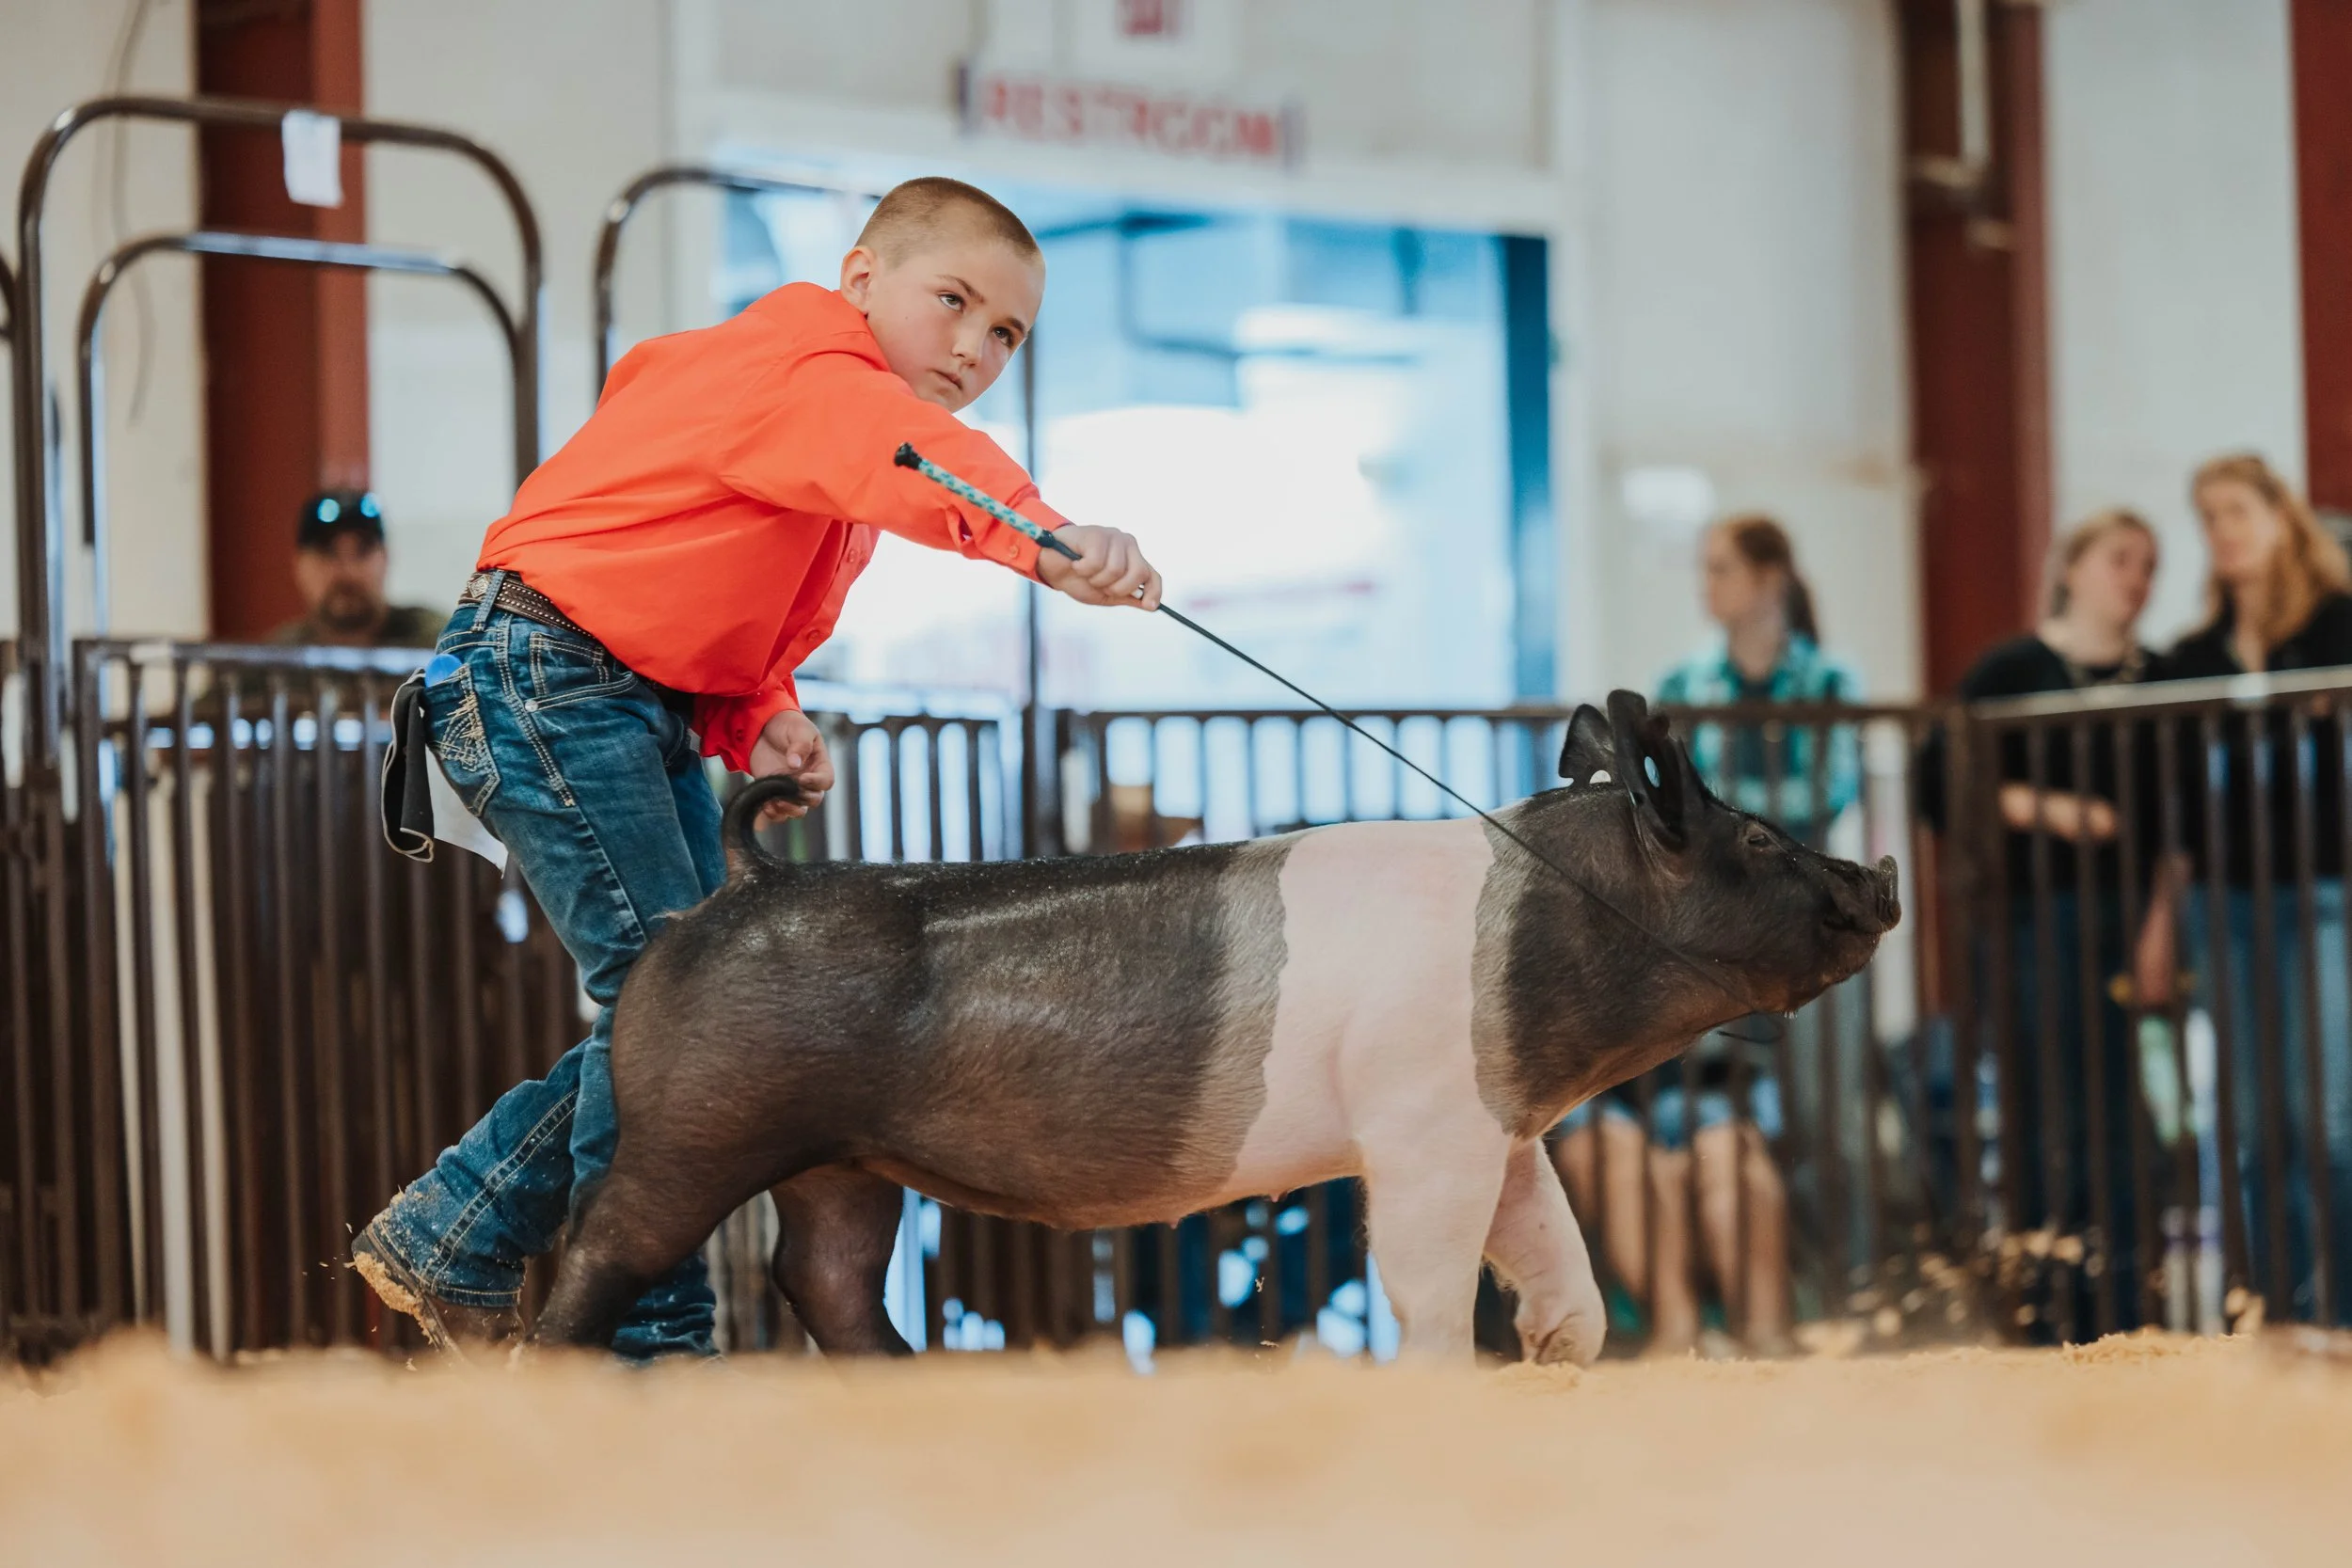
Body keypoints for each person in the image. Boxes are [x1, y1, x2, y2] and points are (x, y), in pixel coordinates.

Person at [348, 177, 1162, 1359]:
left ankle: (462, 1229)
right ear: (860, 278)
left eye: (1006, 333)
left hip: (606, 687)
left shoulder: (812, 405)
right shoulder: (806, 371)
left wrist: (759, 711)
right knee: (686, 1015)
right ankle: (637, 1346)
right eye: (954, 300)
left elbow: (691, 565)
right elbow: (917, 460)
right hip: (550, 673)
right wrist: (1044, 537)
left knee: (706, 1010)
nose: (976, 347)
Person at [1554, 515, 1859, 1354]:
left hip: (1805, 936)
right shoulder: (1682, 683)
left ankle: (1842, 1299)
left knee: (1831, 1129)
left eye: (1721, 567)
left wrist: (1732, 836)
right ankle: (1695, 1338)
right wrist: (1738, 839)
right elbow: (1683, 812)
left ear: (1768, 577)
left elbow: (1823, 799)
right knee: (1677, 1145)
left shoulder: (1832, 680)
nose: (1706, 583)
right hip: (1720, 935)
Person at [1918, 509, 2163, 1338]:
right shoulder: (2010, 668)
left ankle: (2127, 1310)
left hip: (2127, 919)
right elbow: (1936, 775)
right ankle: (2043, 1314)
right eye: (2121, 560)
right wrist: (2040, 806)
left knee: (2122, 1116)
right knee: (2044, 1114)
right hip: (2029, 920)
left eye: (2147, 565)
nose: (2135, 578)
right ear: (2073, 568)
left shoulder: (2159, 673)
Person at [2153, 452, 2352, 1325]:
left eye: (2236, 510)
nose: (2223, 531)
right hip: (2223, 904)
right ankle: (2273, 1310)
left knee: (2327, 1116)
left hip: (2326, 895)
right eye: (2209, 517)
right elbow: (2181, 816)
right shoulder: (2192, 655)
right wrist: (2163, 915)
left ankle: (2340, 1312)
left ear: (2280, 516)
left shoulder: (2342, 626)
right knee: (2248, 1121)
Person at [269, 487, 442, 647]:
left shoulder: (446, 648)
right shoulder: (274, 661)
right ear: (299, 565)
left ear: (386, 559)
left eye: (363, 551)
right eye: (328, 553)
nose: (348, 571)